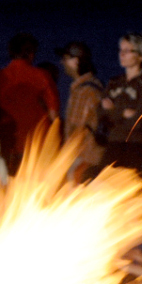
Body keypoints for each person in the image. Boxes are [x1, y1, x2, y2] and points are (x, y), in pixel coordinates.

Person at [0, 33, 60, 173]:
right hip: (37, 145)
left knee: (10, 189)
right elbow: (54, 115)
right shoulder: (42, 76)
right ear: (32, 54)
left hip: (7, 144)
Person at [98, 32, 142, 177]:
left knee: (138, 194)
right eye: (121, 50)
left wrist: (113, 110)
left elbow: (139, 121)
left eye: (128, 51)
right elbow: (101, 114)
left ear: (141, 56)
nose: (122, 54)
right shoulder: (114, 82)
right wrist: (123, 113)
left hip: (137, 148)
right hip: (113, 146)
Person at [55, 41, 105, 181]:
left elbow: (76, 131)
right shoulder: (93, 86)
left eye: (65, 58)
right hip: (90, 157)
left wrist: (64, 160)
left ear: (75, 61)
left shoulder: (84, 91)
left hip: (82, 158)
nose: (61, 62)